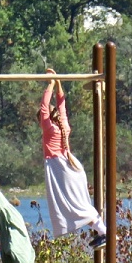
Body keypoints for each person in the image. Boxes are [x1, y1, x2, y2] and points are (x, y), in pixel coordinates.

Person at [39, 68, 108, 250]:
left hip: (60, 166)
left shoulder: (48, 127)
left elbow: (45, 106)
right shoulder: (63, 124)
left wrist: (51, 84)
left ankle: (106, 232)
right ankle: (103, 231)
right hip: (72, 164)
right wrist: (59, 84)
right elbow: (61, 104)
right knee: (80, 203)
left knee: (75, 205)